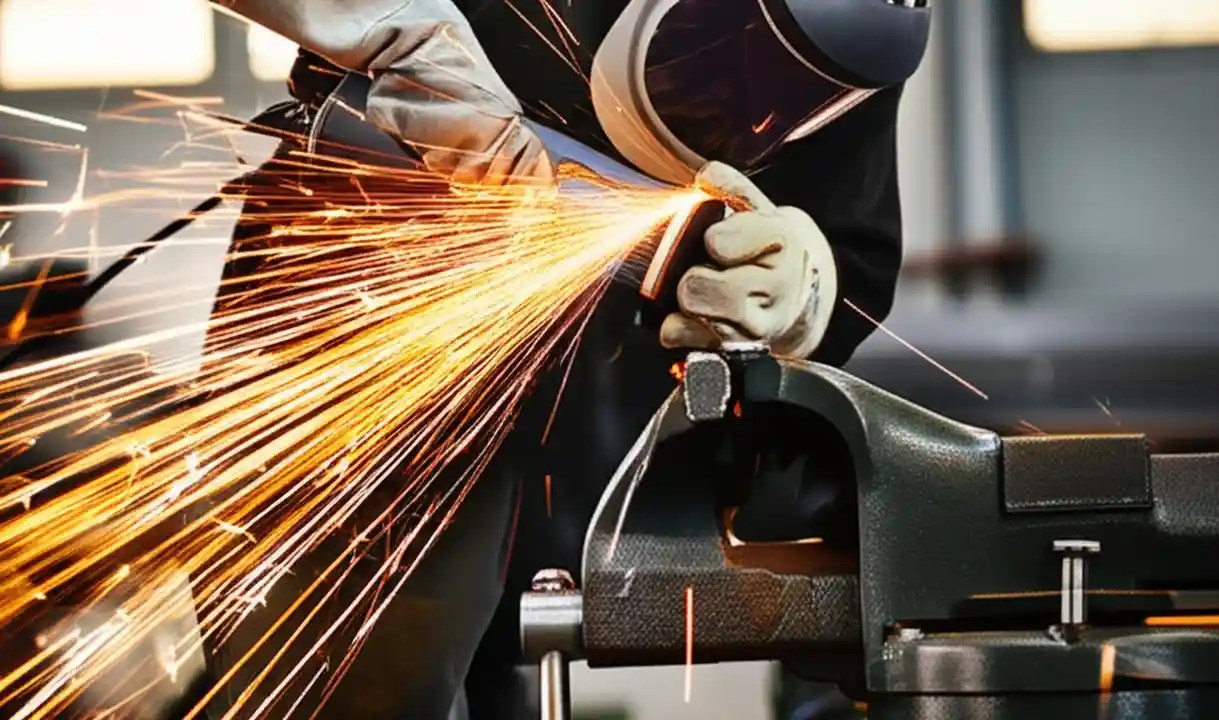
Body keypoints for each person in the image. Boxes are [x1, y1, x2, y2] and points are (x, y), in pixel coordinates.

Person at [201, 1, 928, 717]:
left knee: (499, 663)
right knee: (352, 682)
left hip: (598, 378)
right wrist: (390, 27)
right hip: (364, 324)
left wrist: (806, 287)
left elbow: (846, 228)